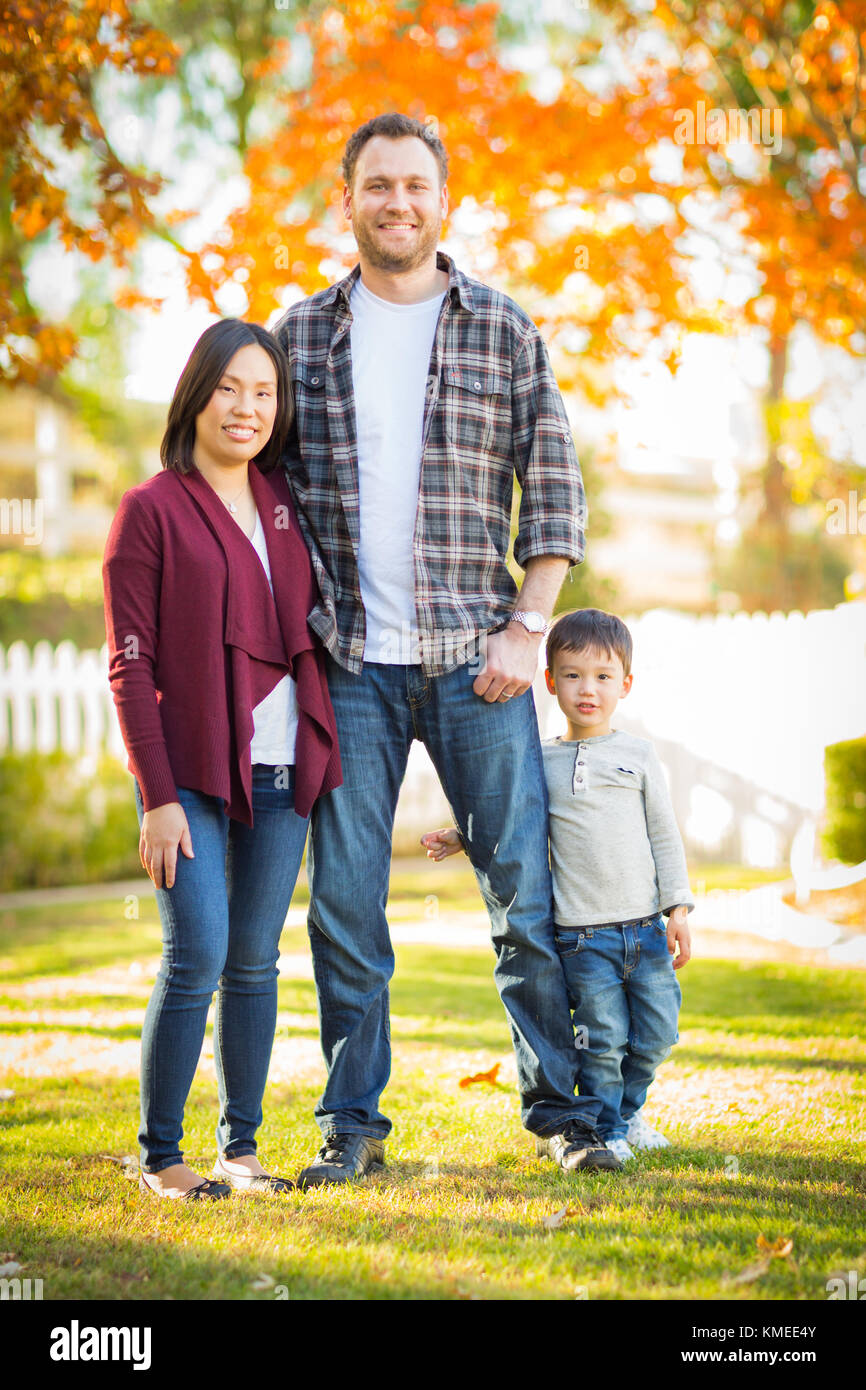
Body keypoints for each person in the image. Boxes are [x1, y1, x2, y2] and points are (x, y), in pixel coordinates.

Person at [273, 112, 619, 1187]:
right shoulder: (294, 339)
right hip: (347, 661)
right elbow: (261, 495)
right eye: (375, 186)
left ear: (442, 201)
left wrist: (529, 626)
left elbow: (554, 491)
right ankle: (352, 1127)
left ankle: (561, 1116)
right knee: (343, 901)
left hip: (480, 659)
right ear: (346, 201)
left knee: (521, 894)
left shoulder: (503, 329)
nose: (396, 203)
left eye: (415, 185)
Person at [102, 319, 341, 1199]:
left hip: (280, 771)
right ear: (197, 394)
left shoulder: (285, 503)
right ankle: (161, 1156)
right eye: (230, 388)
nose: (246, 408)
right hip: (190, 774)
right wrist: (155, 796)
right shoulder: (152, 508)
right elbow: (131, 661)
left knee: (253, 961)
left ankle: (241, 1151)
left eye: (264, 392)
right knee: (195, 954)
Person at [424, 608, 693, 1163]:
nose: (586, 689)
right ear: (549, 681)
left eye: (601, 676)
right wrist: (460, 835)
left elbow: (665, 837)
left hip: (643, 930)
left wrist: (678, 909)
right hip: (581, 937)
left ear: (626, 684)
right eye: (571, 675)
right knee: (603, 1040)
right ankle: (608, 1128)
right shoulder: (538, 760)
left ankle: (628, 1108)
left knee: (659, 1032)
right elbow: (511, 816)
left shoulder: (639, 756)